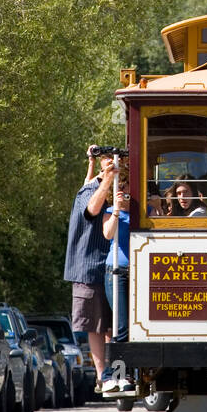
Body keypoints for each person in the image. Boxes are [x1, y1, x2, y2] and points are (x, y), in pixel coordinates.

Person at [63, 147, 133, 395]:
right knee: (96, 325)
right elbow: (92, 208)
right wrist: (106, 178)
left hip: (108, 264)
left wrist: (94, 165)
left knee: (113, 325)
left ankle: (116, 373)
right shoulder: (92, 190)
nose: (112, 166)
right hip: (88, 267)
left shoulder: (111, 189)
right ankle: (105, 377)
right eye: (107, 162)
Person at [102, 162, 131, 370]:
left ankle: (133, 371)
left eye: (126, 185)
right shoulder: (111, 211)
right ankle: (117, 374)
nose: (123, 189)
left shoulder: (144, 210)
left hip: (140, 271)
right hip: (116, 271)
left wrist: (156, 207)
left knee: (136, 327)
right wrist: (117, 211)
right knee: (120, 326)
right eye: (119, 186)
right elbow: (108, 234)